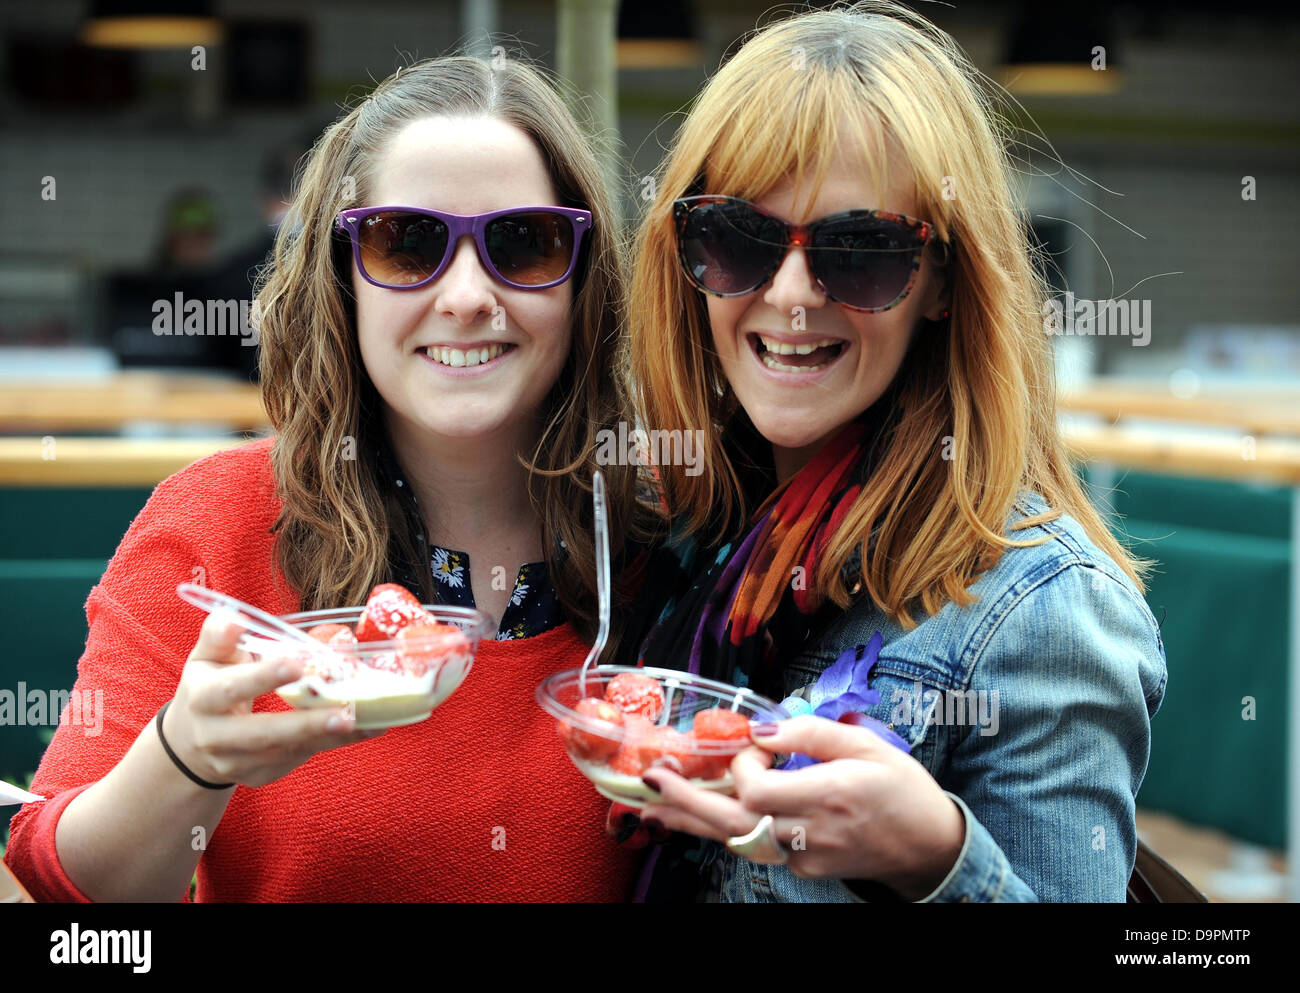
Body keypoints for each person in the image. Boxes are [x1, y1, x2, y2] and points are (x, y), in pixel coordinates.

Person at [5, 55, 652, 902]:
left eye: (523, 243)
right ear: (340, 276)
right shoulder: (216, 520)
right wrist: (187, 757)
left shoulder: (674, 542)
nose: (465, 295)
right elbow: (62, 896)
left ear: (586, 280)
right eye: (407, 242)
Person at [620, 1, 1167, 902]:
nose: (791, 295)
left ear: (946, 282)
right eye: (737, 238)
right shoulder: (678, 527)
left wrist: (937, 858)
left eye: (861, 249)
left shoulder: (1045, 612)